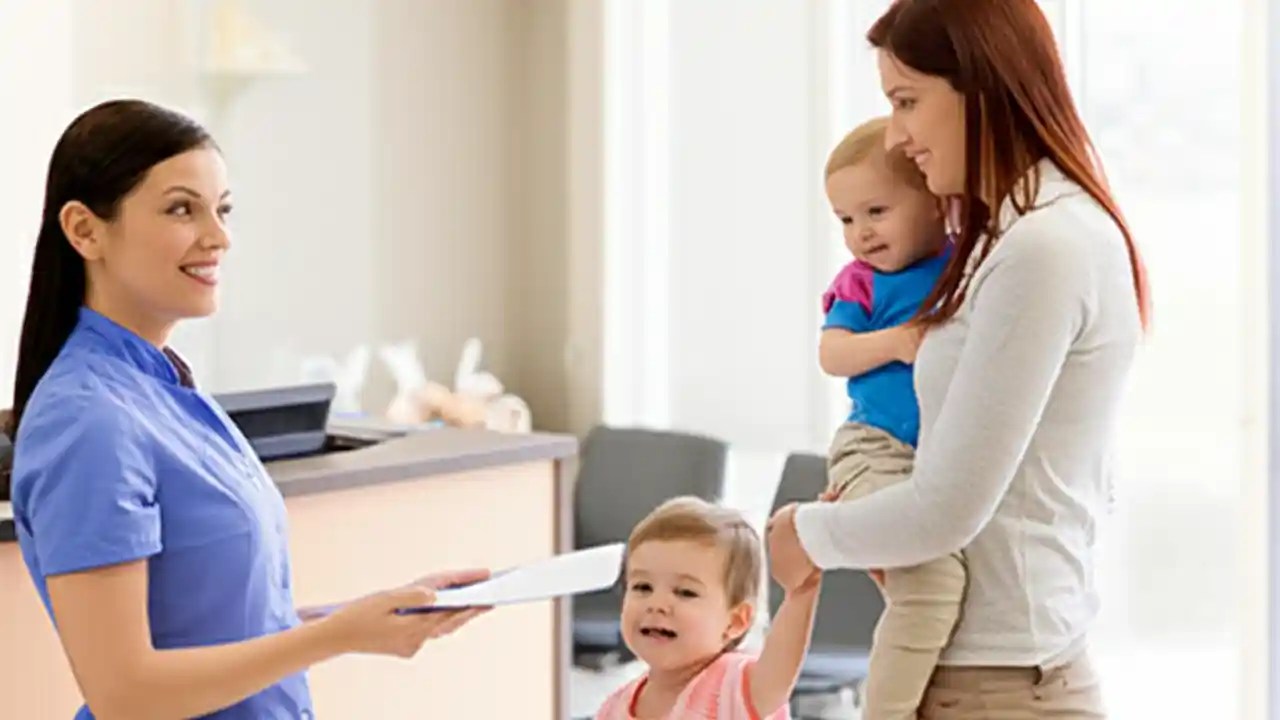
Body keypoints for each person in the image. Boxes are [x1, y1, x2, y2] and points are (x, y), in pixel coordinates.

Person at [5, 99, 490, 719]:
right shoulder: (87, 419)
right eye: (182, 208)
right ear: (84, 230)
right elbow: (125, 693)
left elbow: (220, 629)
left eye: (223, 209)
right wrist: (340, 635)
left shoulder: (160, 388)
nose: (220, 236)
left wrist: (373, 617)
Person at [767, 0, 1149, 717]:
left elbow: (948, 511)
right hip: (987, 669)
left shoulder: (1043, 247)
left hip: (998, 684)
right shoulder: (1004, 238)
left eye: (907, 101)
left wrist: (803, 534)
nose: (898, 135)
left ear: (982, 83)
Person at [818, 116, 965, 719]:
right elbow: (832, 354)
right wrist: (897, 341)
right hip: (872, 449)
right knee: (931, 586)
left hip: (936, 457)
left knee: (939, 589)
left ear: (936, 202)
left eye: (876, 211)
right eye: (846, 220)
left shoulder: (967, 263)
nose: (860, 234)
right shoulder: (862, 284)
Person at [594, 497, 818, 719]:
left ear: (735, 621)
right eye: (643, 587)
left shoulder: (732, 686)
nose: (656, 604)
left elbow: (778, 674)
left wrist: (802, 592)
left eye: (685, 592)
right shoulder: (614, 708)